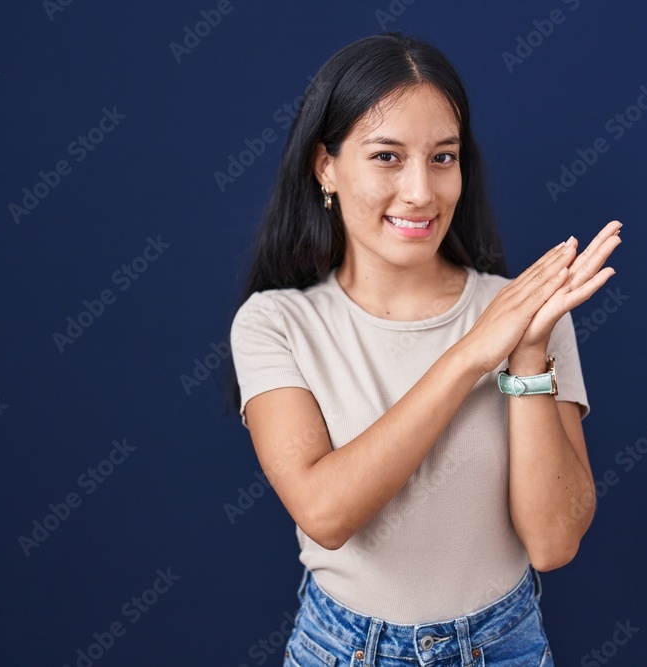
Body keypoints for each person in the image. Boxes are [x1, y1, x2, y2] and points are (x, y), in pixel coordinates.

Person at [225, 31, 621, 667]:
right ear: (325, 166)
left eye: (443, 157)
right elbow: (325, 513)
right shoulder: (276, 323)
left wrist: (524, 354)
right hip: (345, 651)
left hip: (505, 647)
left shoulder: (527, 314)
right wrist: (470, 355)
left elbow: (553, 544)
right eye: (386, 156)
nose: (420, 192)